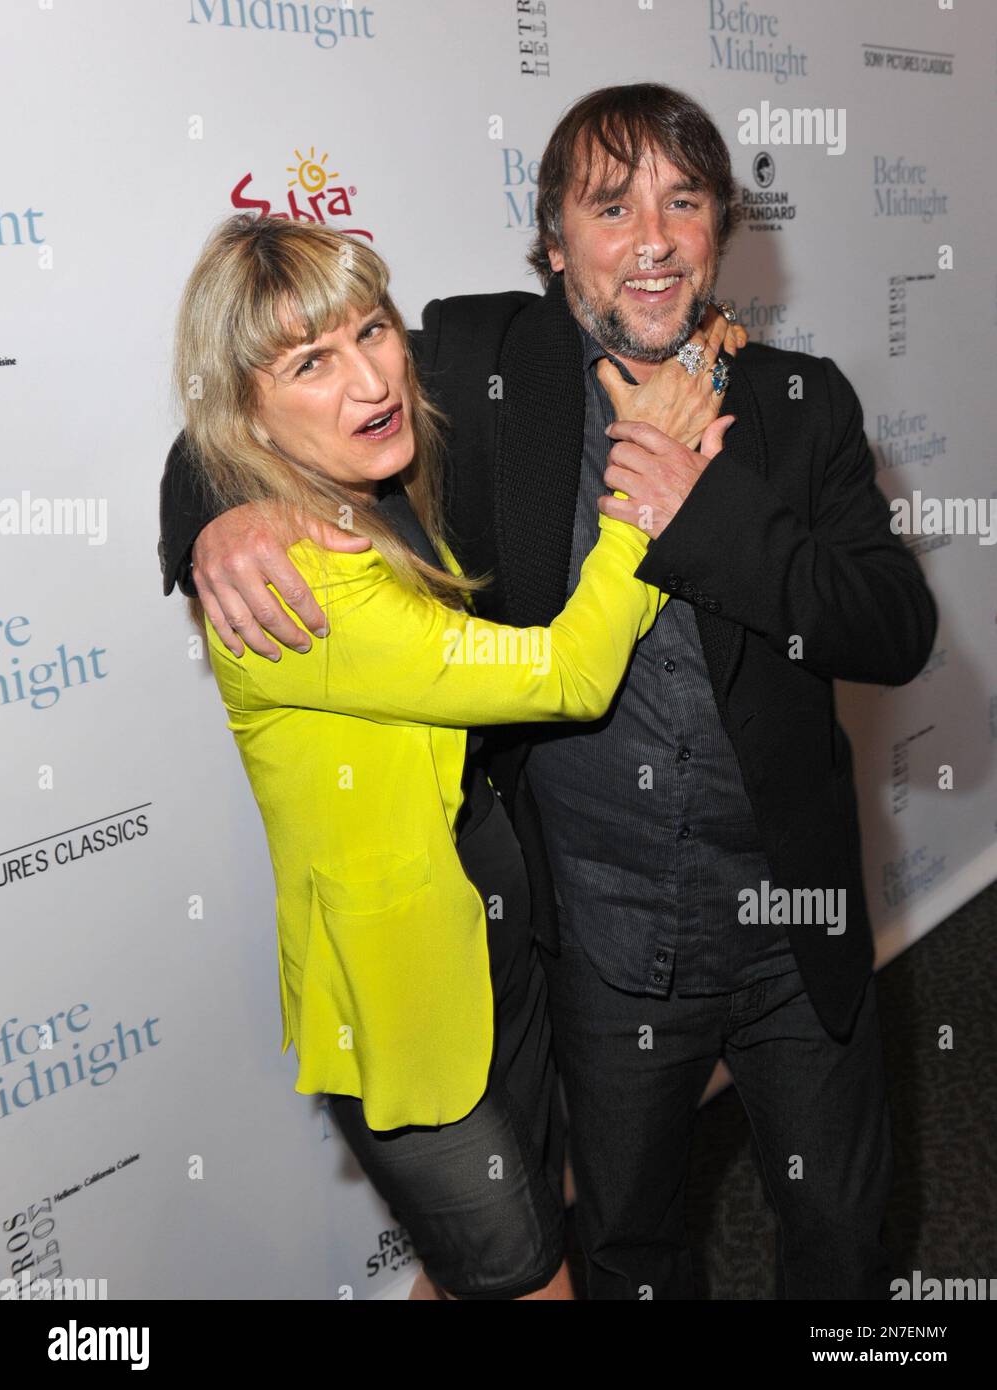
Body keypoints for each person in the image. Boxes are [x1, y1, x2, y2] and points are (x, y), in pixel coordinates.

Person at [161, 83, 938, 1301]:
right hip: (599, 938)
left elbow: (895, 629)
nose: (652, 238)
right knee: (627, 1246)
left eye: (684, 202)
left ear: (723, 226)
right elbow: (263, 386)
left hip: (796, 927)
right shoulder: (480, 365)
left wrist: (706, 509)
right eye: (611, 204)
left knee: (840, 1238)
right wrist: (221, 519)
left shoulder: (802, 404)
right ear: (554, 236)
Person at [168, 212, 739, 1301]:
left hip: (491, 963)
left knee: (486, 1257)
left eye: (373, 331)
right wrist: (644, 498)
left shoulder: (368, 488)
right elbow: (570, 674)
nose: (371, 377)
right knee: (530, 1276)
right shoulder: (307, 586)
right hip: (413, 1012)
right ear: (249, 408)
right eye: (310, 362)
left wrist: (706, 339)